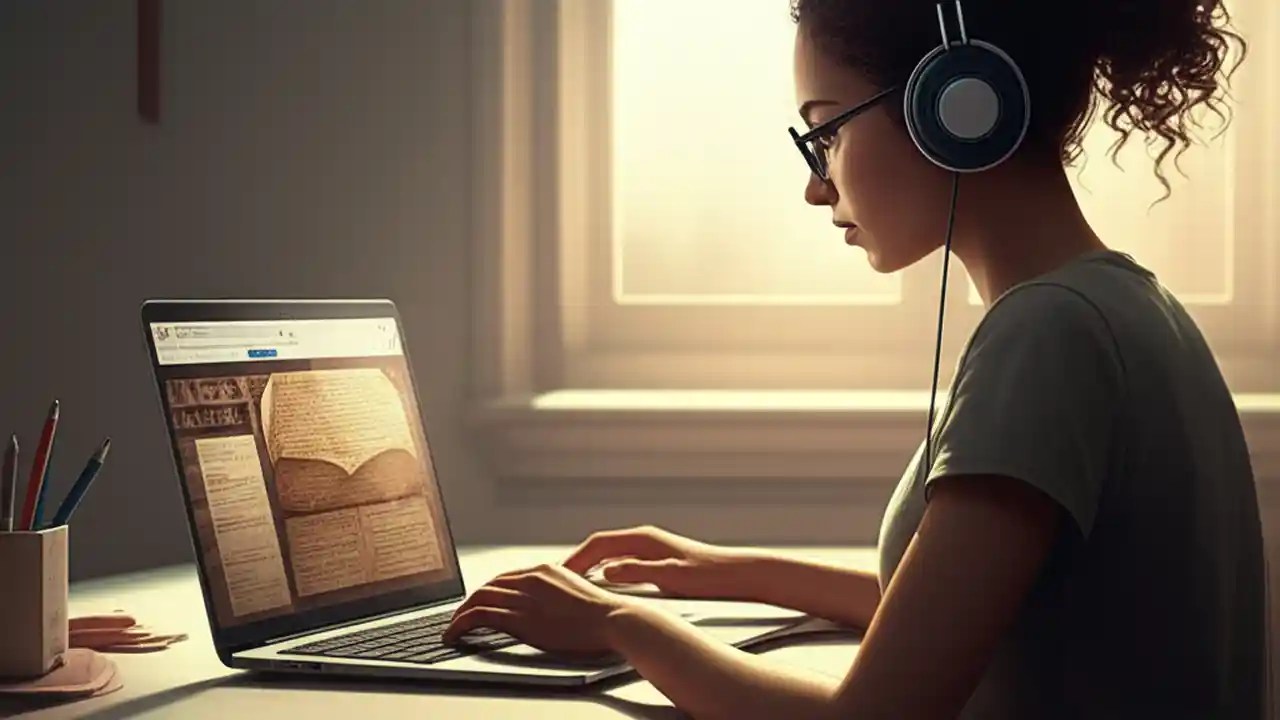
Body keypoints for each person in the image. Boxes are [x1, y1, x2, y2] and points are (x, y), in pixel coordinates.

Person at [444, 1, 1267, 717]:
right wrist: (729, 571)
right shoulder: (1125, 306)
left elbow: (878, 712)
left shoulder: (1050, 337)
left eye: (826, 130)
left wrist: (617, 625)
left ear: (957, 105)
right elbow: (976, 615)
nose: (816, 184)